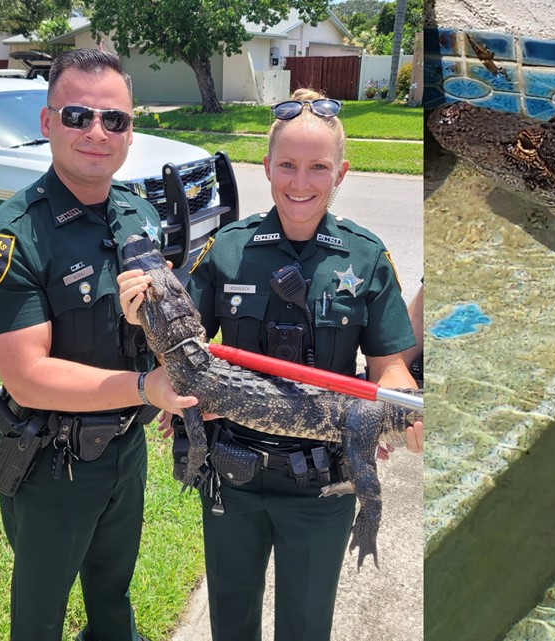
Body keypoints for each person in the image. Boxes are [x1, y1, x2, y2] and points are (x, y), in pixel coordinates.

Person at [120, 88, 424, 640]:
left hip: (322, 484)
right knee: (231, 625)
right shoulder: (230, 247)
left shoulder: (367, 255)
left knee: (305, 629)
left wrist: (399, 406)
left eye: (318, 167)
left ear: (342, 173)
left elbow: (390, 367)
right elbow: (179, 340)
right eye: (286, 165)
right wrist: (139, 317)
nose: (300, 182)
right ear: (265, 168)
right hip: (232, 479)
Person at [0, 49, 198, 641]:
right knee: (40, 613)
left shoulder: (138, 214)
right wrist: (146, 387)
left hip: (125, 451)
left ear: (130, 132)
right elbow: (25, 375)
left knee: (113, 596)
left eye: (114, 119)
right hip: (50, 464)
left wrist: (169, 370)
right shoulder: (18, 232)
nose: (96, 131)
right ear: (47, 121)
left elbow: (154, 326)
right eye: (77, 115)